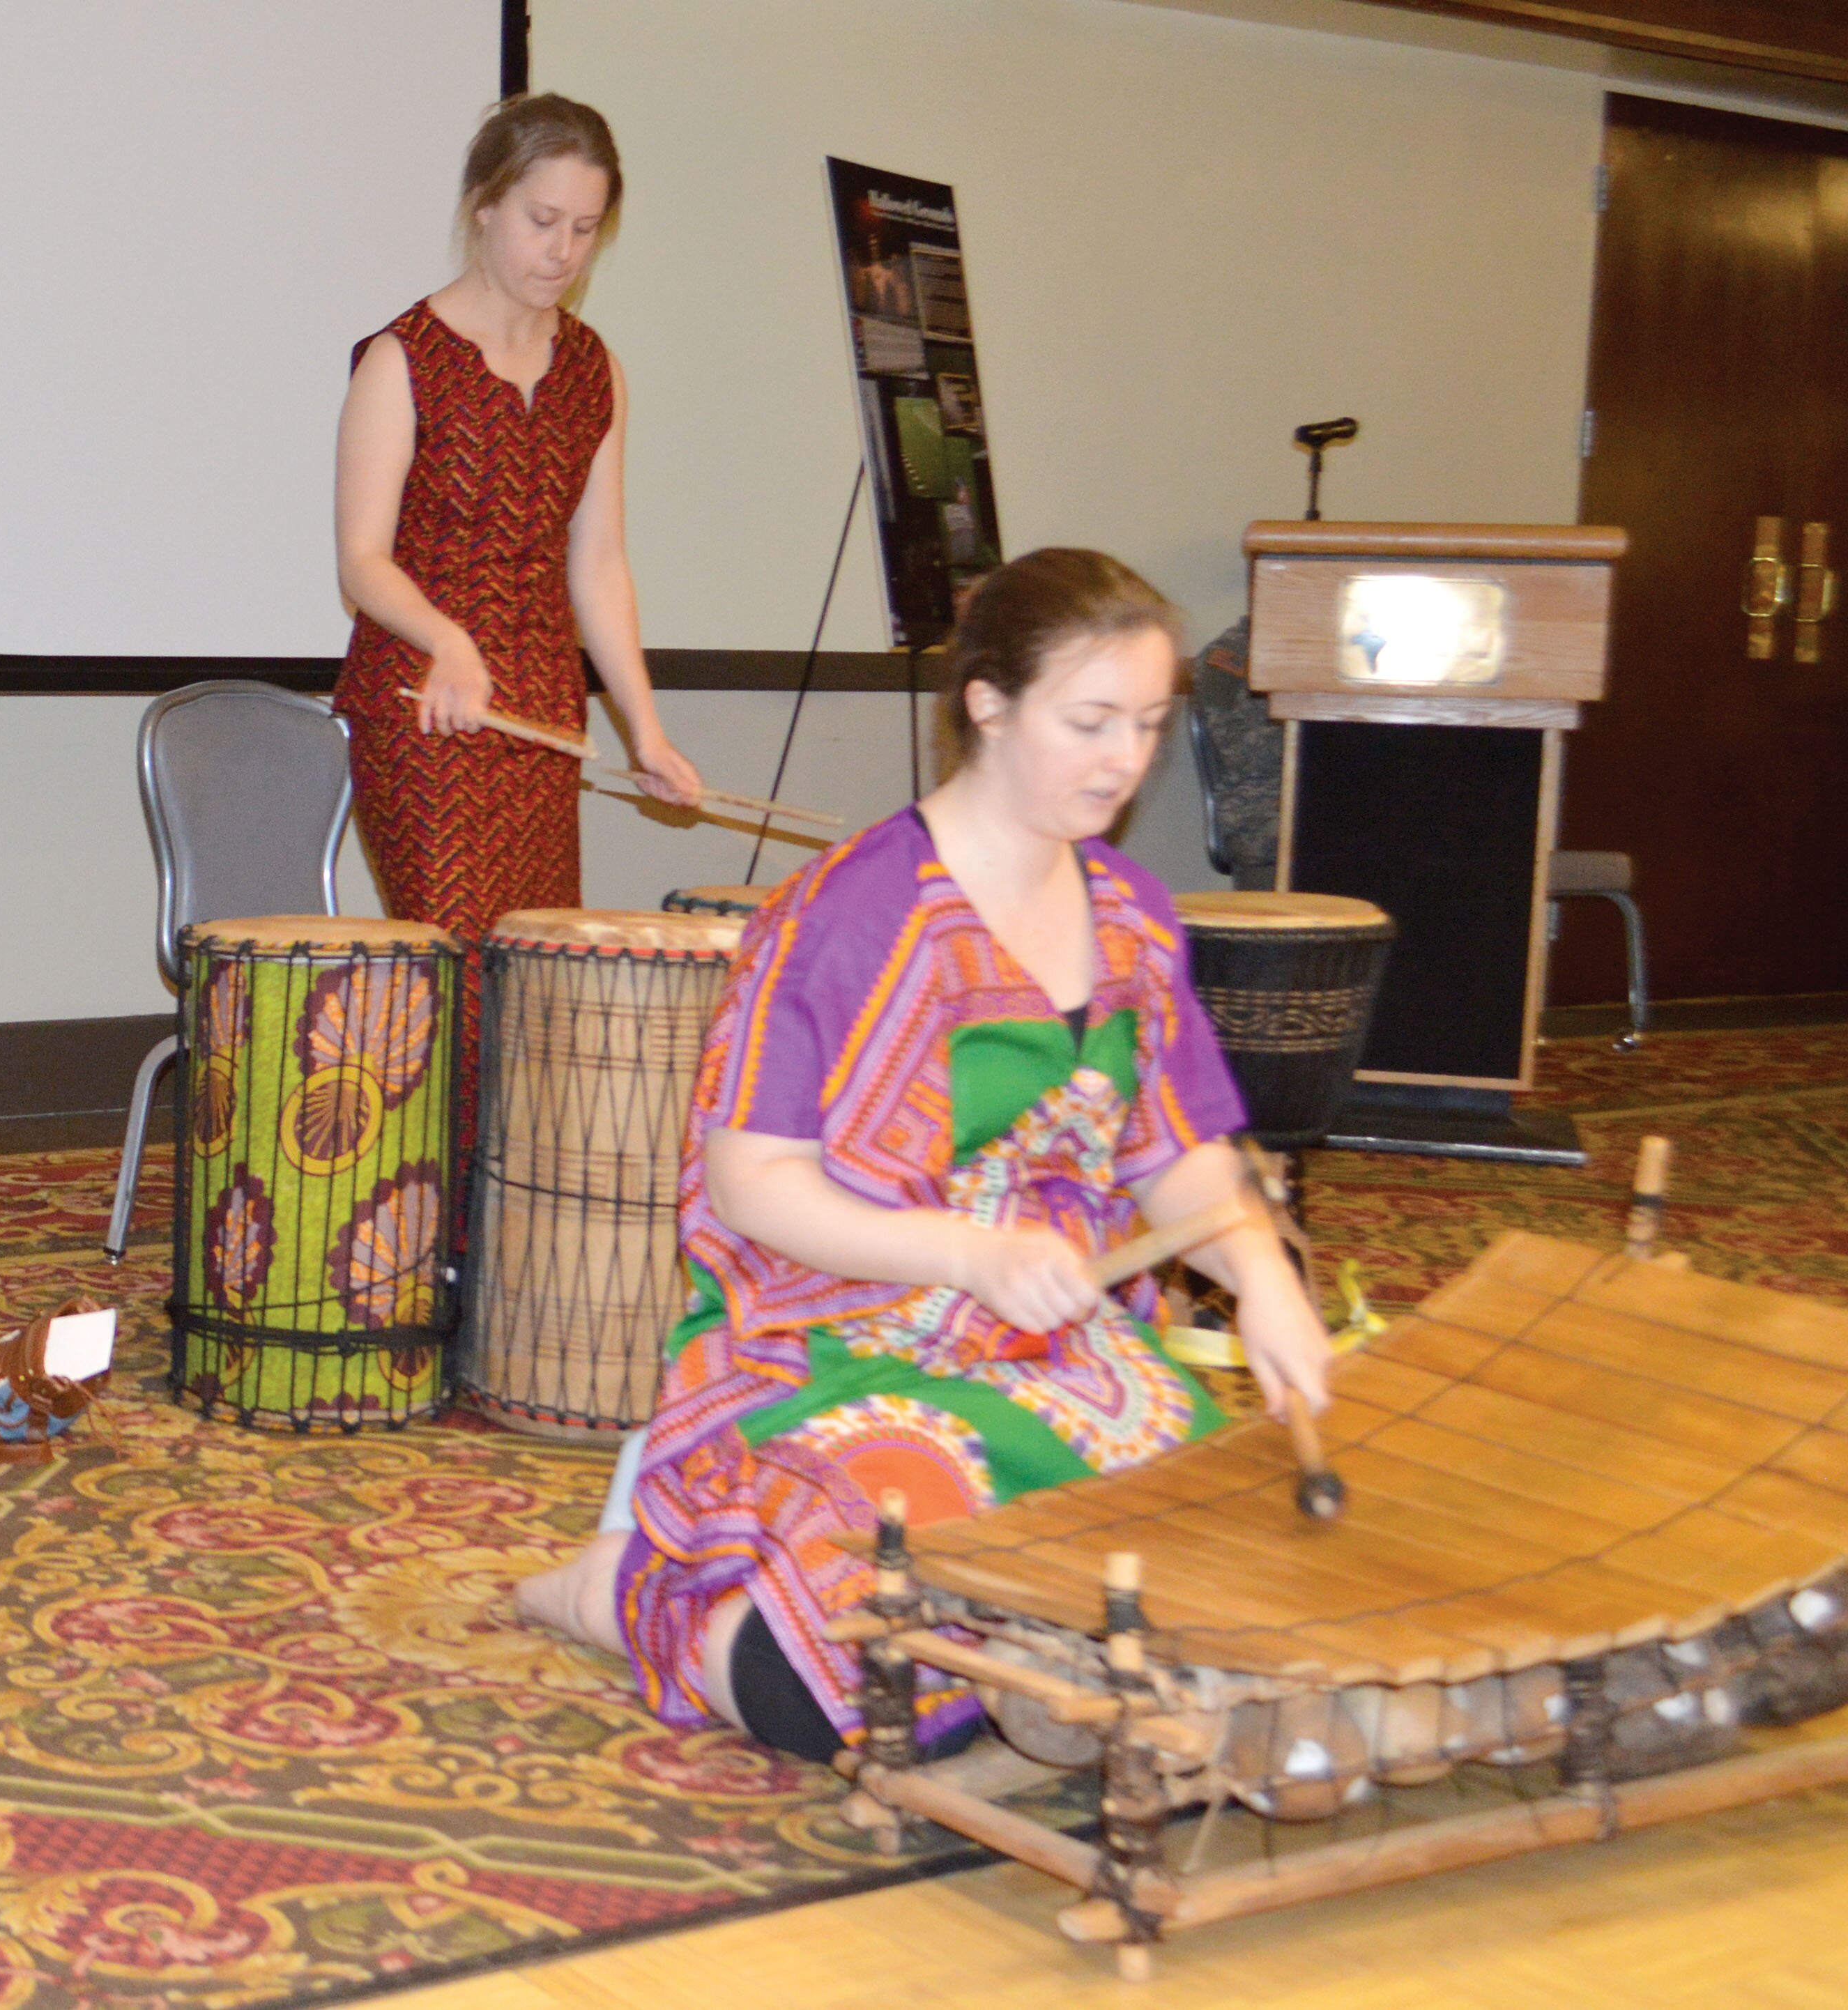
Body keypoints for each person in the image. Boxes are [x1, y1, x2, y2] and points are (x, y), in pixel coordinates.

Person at [515, 549, 1335, 1765]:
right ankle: (623, 1588)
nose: (1125, 759)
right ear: (987, 706)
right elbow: (754, 1182)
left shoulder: (1132, 915)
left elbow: (1177, 1152)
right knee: (865, 1681)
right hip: (848, 1341)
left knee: (1223, 1557)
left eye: (1150, 725)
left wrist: (1264, 1281)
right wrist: (970, 1252)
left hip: (1060, 1348)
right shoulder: (850, 915)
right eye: (1091, 722)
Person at [332, 94, 701, 1112]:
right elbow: (363, 560)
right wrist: (447, 640)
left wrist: (646, 727)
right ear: (486, 206)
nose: (563, 251)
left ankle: (498, 1243)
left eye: (586, 230)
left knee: (534, 986)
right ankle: (446, 1246)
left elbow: (600, 566)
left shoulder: (595, 370)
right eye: (544, 221)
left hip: (540, 714)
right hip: (425, 708)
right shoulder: (402, 359)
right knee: (465, 973)